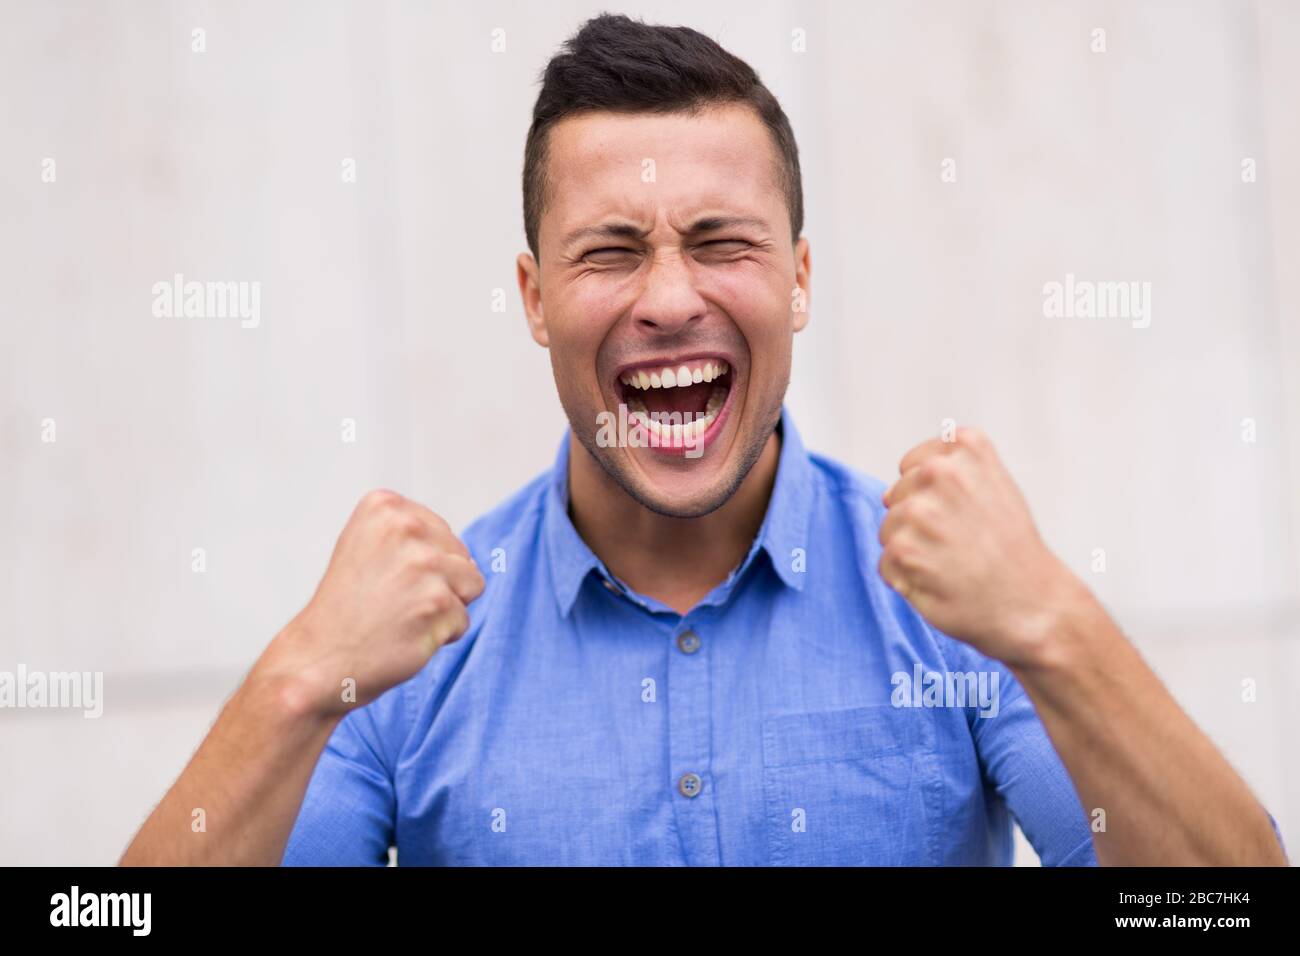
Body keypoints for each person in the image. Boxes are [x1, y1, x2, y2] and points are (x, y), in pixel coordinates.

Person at [121, 13, 1286, 867]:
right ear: (533, 297)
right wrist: (288, 684)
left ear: (799, 277)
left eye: (721, 240)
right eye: (611, 249)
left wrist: (1054, 625)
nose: (670, 298)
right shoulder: (408, 644)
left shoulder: (952, 606)